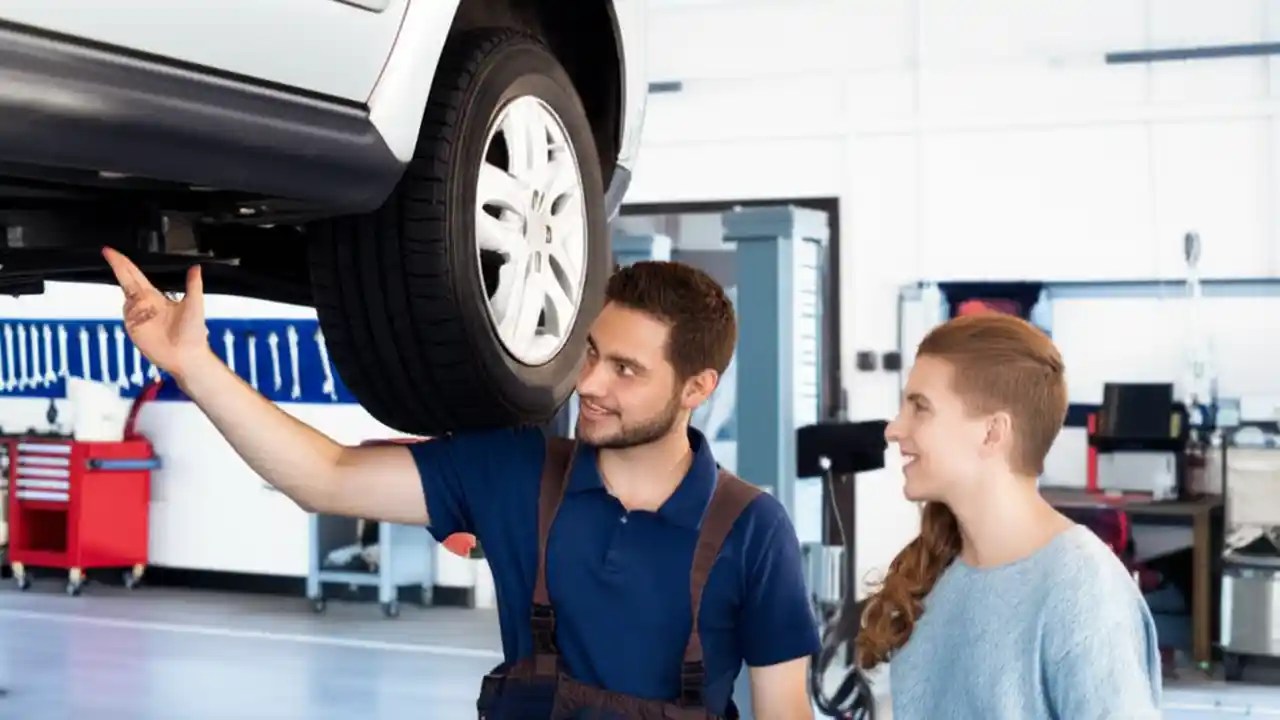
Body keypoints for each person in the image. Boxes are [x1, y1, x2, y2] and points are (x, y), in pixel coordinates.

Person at [102, 248, 819, 719]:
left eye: (626, 370)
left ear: (697, 386)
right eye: (592, 353)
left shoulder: (753, 530)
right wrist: (193, 365)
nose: (590, 384)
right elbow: (326, 477)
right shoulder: (514, 473)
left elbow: (785, 711)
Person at [854, 312, 1162, 719]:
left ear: (993, 433)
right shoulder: (936, 573)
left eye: (920, 408)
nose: (894, 429)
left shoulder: (1083, 589)